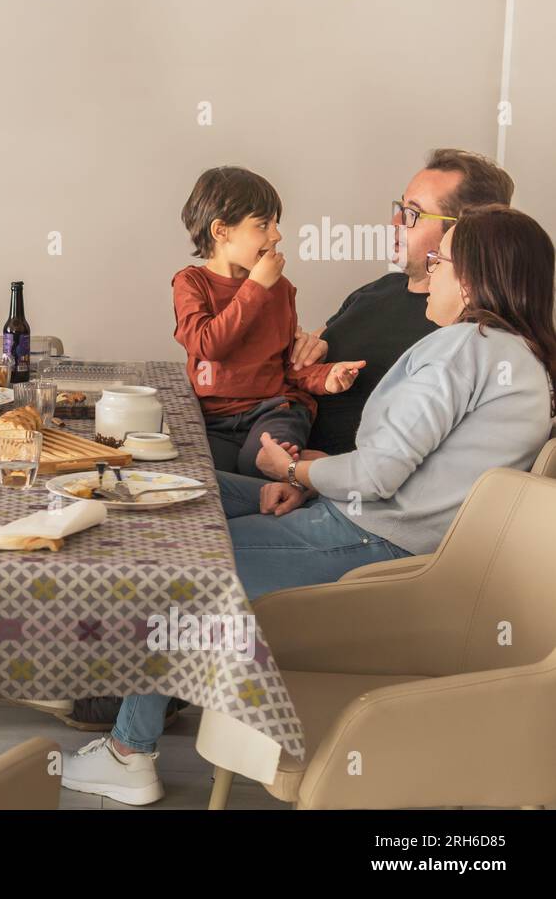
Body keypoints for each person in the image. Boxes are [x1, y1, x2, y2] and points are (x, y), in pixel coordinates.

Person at [66, 204, 556, 805]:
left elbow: (377, 474)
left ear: (477, 280)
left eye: (441, 261)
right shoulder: (523, 361)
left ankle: (128, 752)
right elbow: (416, 475)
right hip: (373, 518)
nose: (428, 271)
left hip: (371, 537)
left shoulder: (462, 350)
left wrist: (293, 468)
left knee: (178, 576)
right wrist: (313, 478)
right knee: (186, 484)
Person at [291, 149, 515, 455]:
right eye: (400, 206)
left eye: (413, 213)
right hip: (276, 445)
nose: (395, 221)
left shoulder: (469, 332)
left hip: (335, 487)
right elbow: (300, 356)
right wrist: (301, 345)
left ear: (465, 231)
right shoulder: (379, 289)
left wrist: (307, 473)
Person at [172, 166, 364, 477]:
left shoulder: (279, 289)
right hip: (215, 418)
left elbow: (289, 365)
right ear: (221, 231)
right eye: (263, 224)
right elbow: (207, 345)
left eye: (275, 224)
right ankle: (301, 476)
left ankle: (302, 473)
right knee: (201, 473)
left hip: (274, 409)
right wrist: (255, 288)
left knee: (256, 462)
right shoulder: (191, 284)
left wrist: (327, 377)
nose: (276, 235)